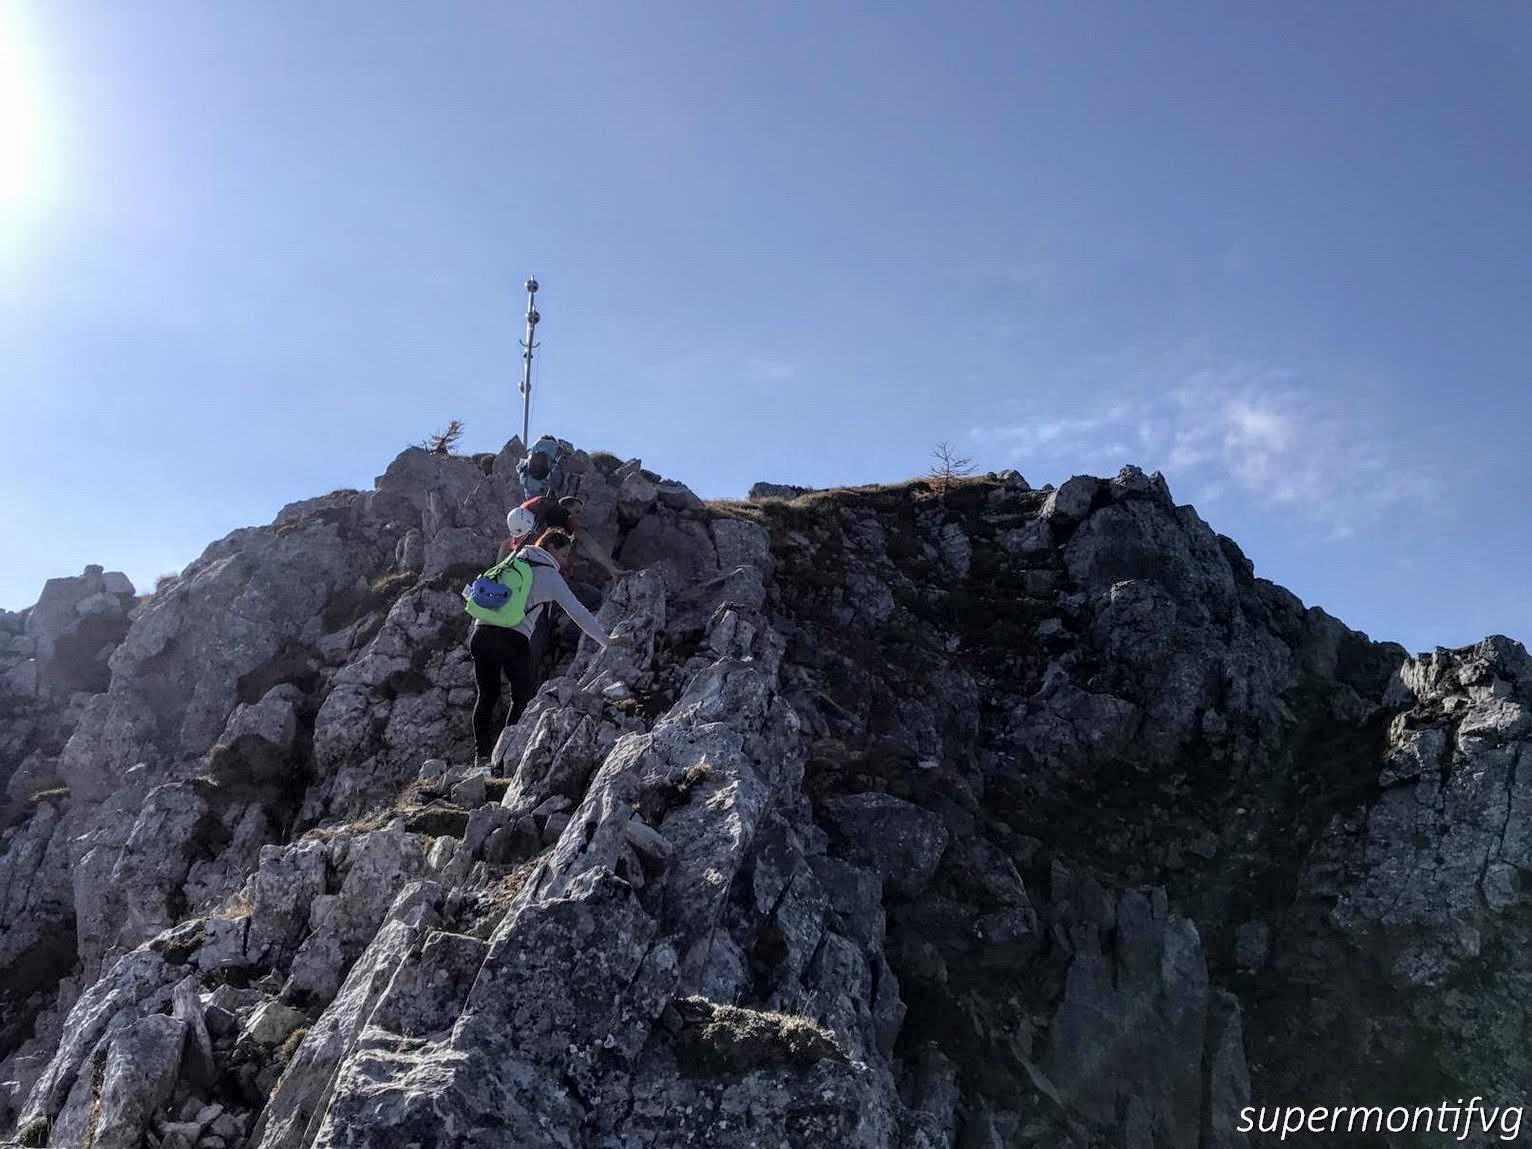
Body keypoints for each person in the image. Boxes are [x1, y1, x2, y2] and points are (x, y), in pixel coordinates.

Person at [466, 529, 612, 765]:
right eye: (564, 555)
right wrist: (607, 642)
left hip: (481, 633)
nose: (565, 562)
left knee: (487, 696)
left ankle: (481, 758)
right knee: (522, 698)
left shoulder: (511, 560)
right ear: (552, 548)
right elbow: (579, 613)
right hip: (513, 639)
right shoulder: (549, 575)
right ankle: (503, 760)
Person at [500, 493, 623, 578]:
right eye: (577, 511)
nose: (580, 516)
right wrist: (611, 568)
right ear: (566, 509)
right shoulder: (564, 520)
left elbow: (506, 543)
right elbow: (589, 543)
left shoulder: (537, 510)